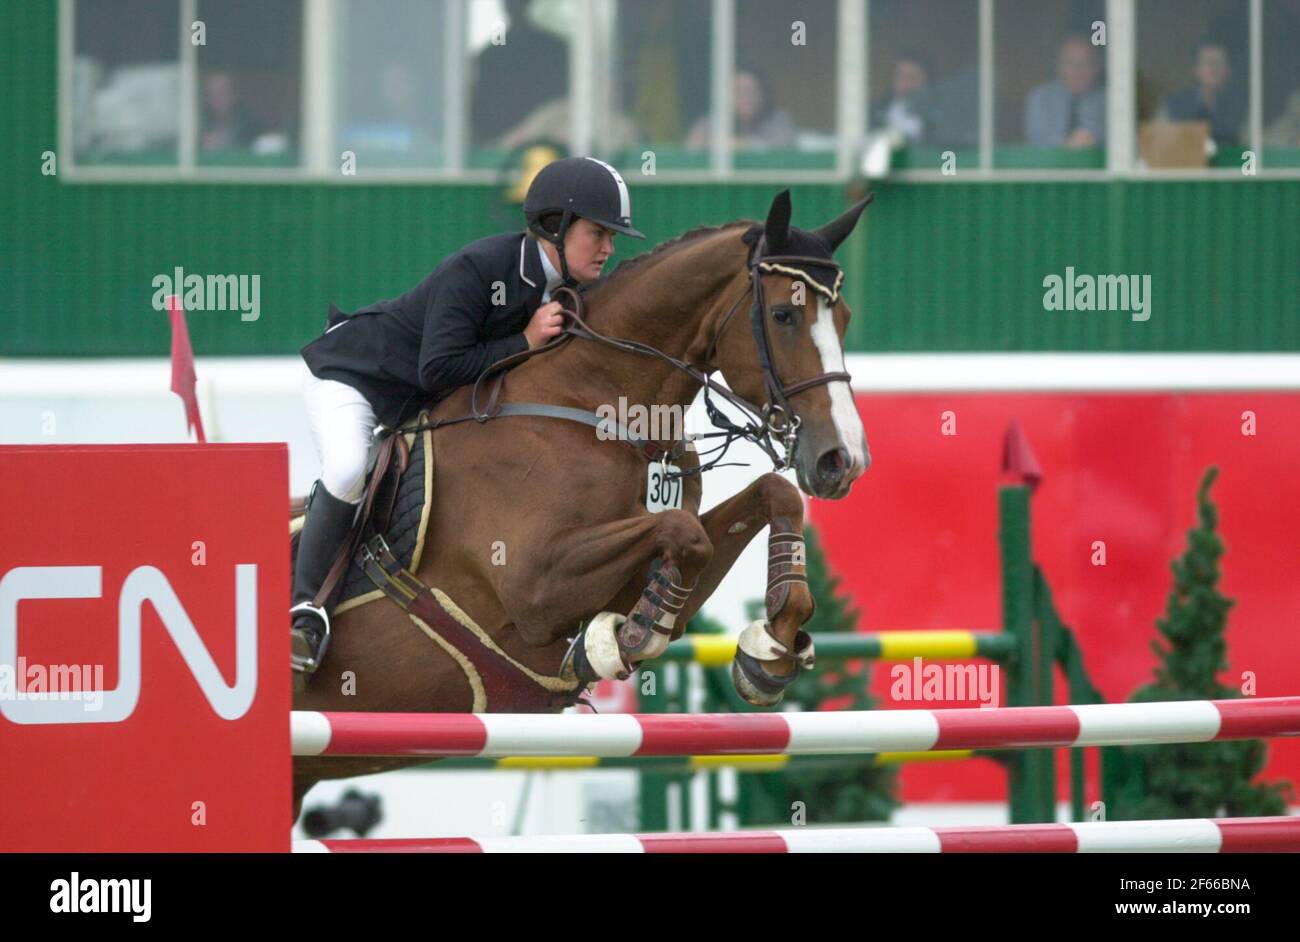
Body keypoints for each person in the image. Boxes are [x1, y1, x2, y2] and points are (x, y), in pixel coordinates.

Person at [290, 157, 645, 674]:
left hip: (419, 401)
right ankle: (306, 613)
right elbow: (438, 368)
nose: (609, 248)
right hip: (355, 375)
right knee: (349, 467)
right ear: (557, 226)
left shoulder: (578, 292)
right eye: (599, 234)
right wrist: (524, 340)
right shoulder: (481, 268)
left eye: (613, 236)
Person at [1159, 40, 1246, 149]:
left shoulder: (1242, 107)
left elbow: (1250, 149)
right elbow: (1158, 148)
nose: (1213, 69)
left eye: (1218, 63)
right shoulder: (1172, 105)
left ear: (1228, 71)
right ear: (1196, 70)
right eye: (1207, 63)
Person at [1024, 36, 1106, 149]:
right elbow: (1036, 141)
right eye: (1070, 63)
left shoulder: (1108, 100)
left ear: (1096, 67)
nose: (1078, 70)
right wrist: (1066, 144)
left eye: (1086, 62)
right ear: (1058, 66)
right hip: (1050, 165)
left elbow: (1120, 140)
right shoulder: (1040, 98)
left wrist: (1096, 140)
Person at [686, 68, 797, 151]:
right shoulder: (712, 121)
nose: (745, 98)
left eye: (750, 92)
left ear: (763, 94)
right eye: (737, 92)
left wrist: (743, 145)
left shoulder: (779, 121)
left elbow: (783, 147)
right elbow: (691, 148)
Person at [870, 53, 942, 146]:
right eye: (901, 76)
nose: (905, 82)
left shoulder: (938, 117)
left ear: (926, 82)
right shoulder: (876, 112)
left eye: (912, 77)